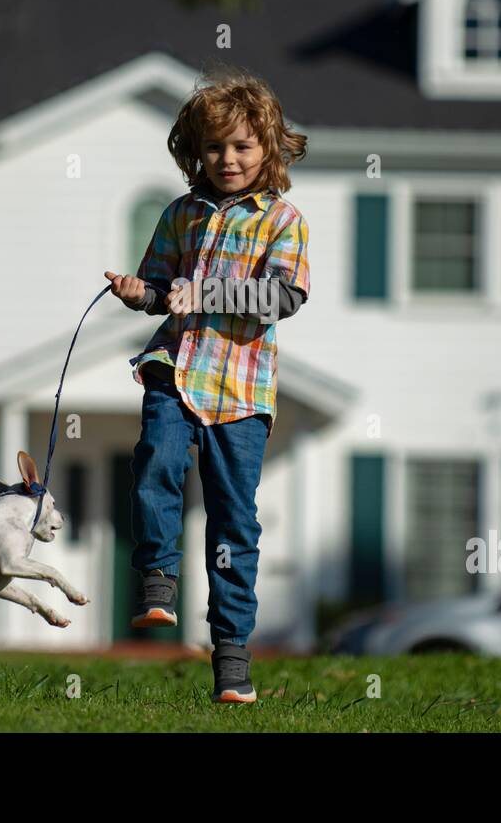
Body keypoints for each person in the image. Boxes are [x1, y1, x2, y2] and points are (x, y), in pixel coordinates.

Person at [104, 65, 310, 703]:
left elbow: (284, 296)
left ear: (267, 149)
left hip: (242, 388)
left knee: (232, 522)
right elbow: (165, 289)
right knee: (157, 459)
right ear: (195, 153)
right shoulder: (181, 214)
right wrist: (143, 295)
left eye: (242, 146)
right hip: (175, 365)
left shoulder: (280, 219)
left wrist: (206, 292)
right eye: (214, 147)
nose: (227, 158)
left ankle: (232, 659)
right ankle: (158, 578)